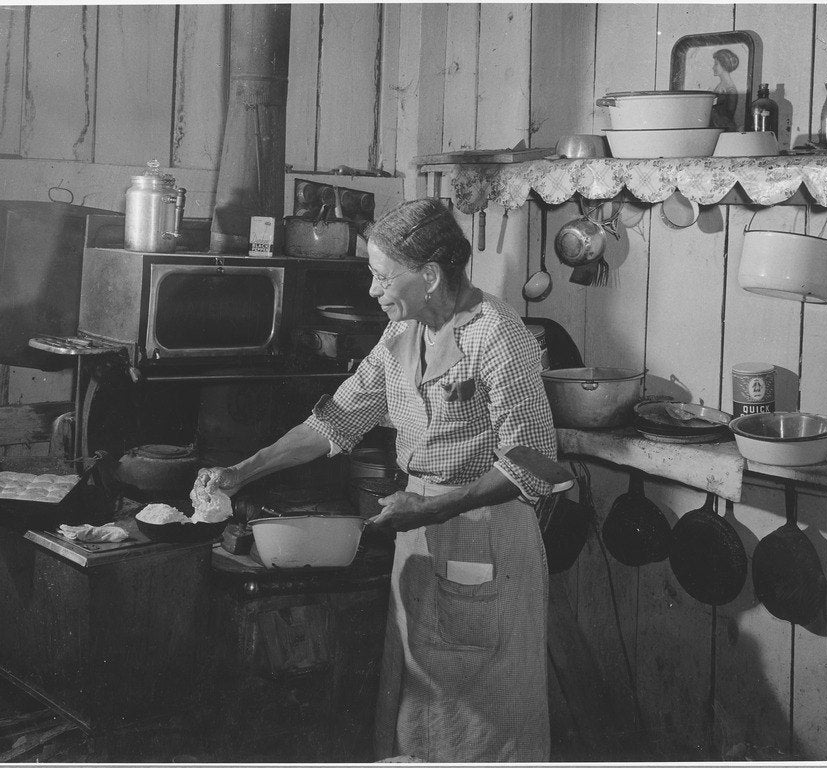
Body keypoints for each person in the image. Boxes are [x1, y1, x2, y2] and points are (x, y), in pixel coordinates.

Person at [193, 197, 559, 762]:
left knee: (488, 721)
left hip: (485, 539)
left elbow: (533, 461)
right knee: (421, 708)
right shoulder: (400, 336)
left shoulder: (497, 335)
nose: (372, 290)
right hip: (421, 534)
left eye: (383, 276)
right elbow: (334, 421)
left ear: (430, 276)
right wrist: (242, 472)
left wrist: (431, 510)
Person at [711, 48, 740, 130]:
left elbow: (728, 117)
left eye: (716, 64)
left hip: (725, 130)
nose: (713, 67)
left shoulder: (730, 89)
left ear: (724, 65)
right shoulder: (720, 85)